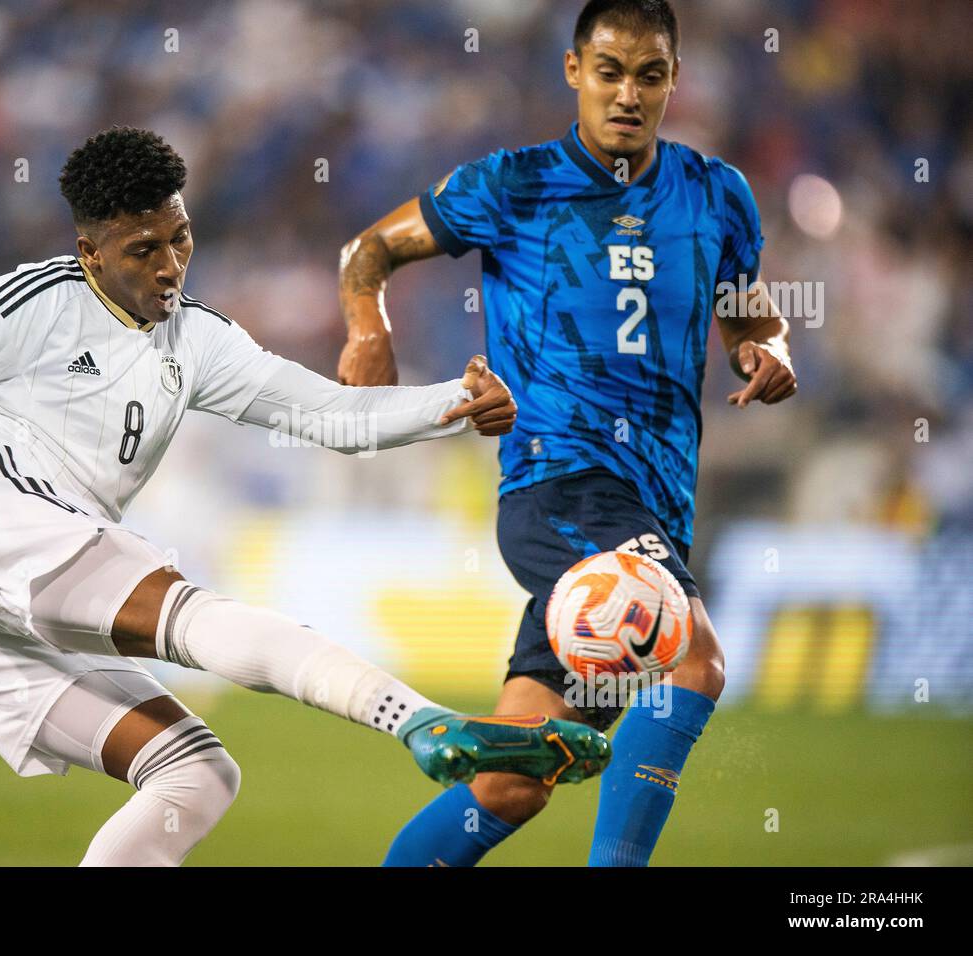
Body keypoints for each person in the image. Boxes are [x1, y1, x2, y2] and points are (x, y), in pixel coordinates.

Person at [0, 126, 610, 866]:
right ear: (89, 251)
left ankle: (421, 725)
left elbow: (329, 415)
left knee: (195, 776)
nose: (170, 266)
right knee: (191, 617)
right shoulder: (35, 302)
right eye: (143, 249)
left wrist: (453, 404)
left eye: (181, 239)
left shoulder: (196, 338)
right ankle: (422, 722)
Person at [337, 0, 797, 866]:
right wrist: (370, 328)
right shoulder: (513, 184)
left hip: (655, 506)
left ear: (673, 80)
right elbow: (368, 251)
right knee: (692, 659)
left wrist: (766, 348)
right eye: (610, 71)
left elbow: (747, 311)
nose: (629, 94)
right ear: (574, 70)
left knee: (513, 782)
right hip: (558, 484)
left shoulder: (716, 195)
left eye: (650, 75)